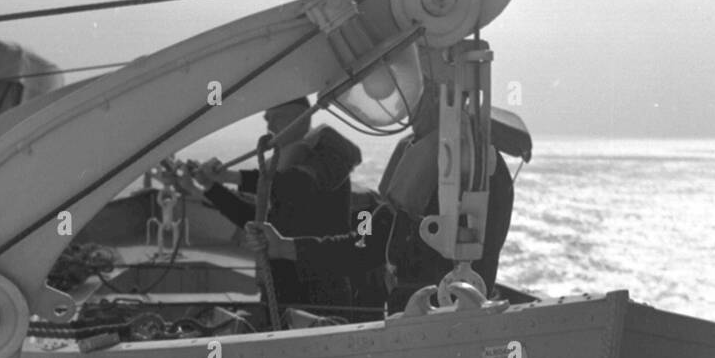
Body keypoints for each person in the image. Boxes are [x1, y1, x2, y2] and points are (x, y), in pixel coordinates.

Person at [248, 84, 514, 313]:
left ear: (438, 97)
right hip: (409, 317)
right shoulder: (423, 160)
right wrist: (283, 246)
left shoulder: (479, 170)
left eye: (413, 100)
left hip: (445, 322)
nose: (406, 114)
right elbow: (364, 244)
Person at [188, 98, 363, 310]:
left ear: (300, 119)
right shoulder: (284, 166)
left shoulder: (331, 156)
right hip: (282, 286)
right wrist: (211, 188)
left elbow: (297, 186)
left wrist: (231, 176)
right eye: (267, 120)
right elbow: (255, 220)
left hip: (320, 290)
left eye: (276, 118)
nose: (270, 127)